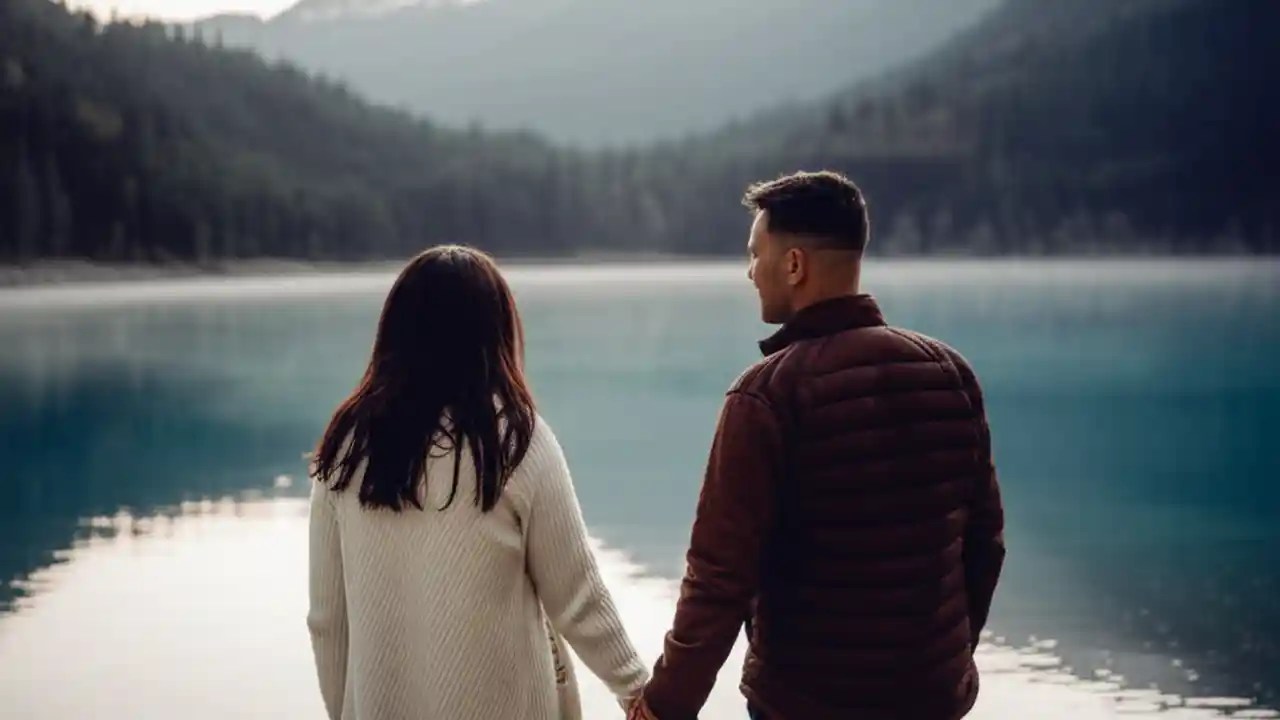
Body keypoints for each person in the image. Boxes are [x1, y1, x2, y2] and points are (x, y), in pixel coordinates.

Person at [630, 171, 1006, 720]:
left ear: (795, 265)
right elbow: (984, 543)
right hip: (932, 699)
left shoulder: (765, 397)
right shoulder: (951, 375)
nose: (750, 272)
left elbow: (718, 581)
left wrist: (663, 707)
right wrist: (948, 657)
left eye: (756, 254)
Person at [307, 245, 648, 720]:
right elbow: (575, 593)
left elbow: (328, 622)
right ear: (495, 332)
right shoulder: (515, 439)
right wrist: (638, 691)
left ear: (396, 331)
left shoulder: (348, 445)